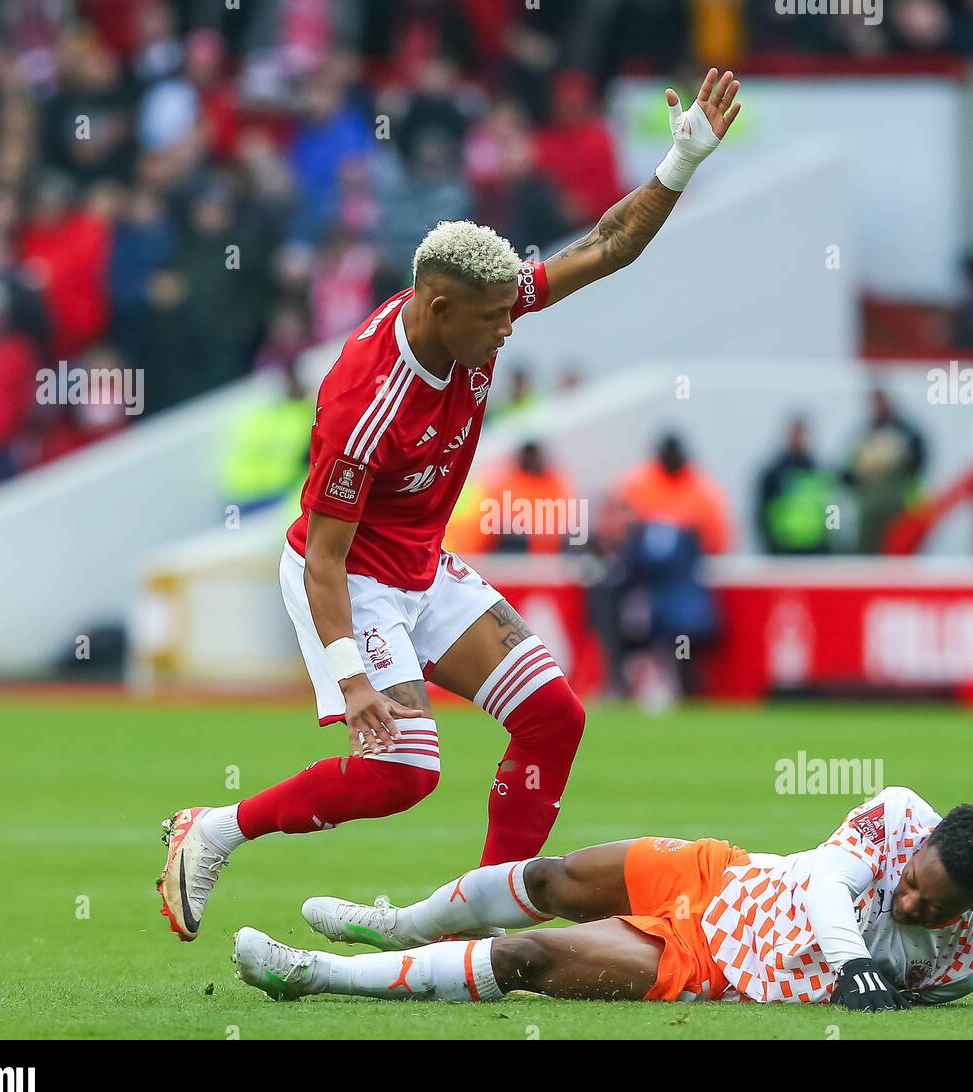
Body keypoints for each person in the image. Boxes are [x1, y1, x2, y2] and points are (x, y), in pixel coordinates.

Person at [158, 69, 745, 942]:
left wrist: (682, 159)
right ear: (439, 308)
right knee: (405, 773)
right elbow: (323, 558)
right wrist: (354, 678)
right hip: (350, 580)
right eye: (495, 319)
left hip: (420, 566)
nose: (511, 328)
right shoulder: (366, 402)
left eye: (513, 309)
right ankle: (211, 830)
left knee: (554, 717)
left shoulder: (480, 296)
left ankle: (477, 920)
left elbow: (607, 247)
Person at [233, 786, 973, 1010]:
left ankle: (309, 976)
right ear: (920, 847)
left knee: (526, 957)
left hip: (716, 961)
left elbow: (907, 995)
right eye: (916, 883)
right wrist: (853, 965)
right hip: (730, 876)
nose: (914, 904)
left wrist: (848, 983)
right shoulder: (897, 816)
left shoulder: (964, 965)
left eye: (935, 908)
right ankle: (394, 927)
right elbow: (824, 882)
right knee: (549, 878)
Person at [843, 388, 926, 554]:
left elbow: (918, 462)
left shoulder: (906, 432)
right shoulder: (864, 434)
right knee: (868, 549)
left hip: (898, 504)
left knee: (899, 546)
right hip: (869, 506)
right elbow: (847, 473)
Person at [756, 417, 833, 555]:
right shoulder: (774, 473)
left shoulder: (819, 472)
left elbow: (831, 508)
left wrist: (832, 537)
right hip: (784, 549)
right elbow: (762, 512)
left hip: (817, 550)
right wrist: (771, 545)